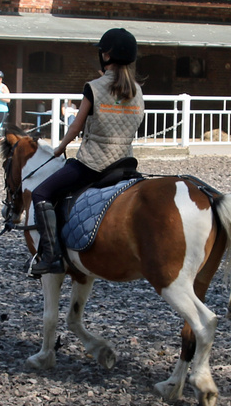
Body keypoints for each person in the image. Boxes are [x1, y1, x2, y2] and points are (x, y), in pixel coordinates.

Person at [28, 28, 145, 276]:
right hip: (125, 164)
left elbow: (77, 125)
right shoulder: (136, 90)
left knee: (41, 193)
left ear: (108, 55)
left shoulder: (94, 87)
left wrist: (60, 148)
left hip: (93, 164)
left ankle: (51, 256)